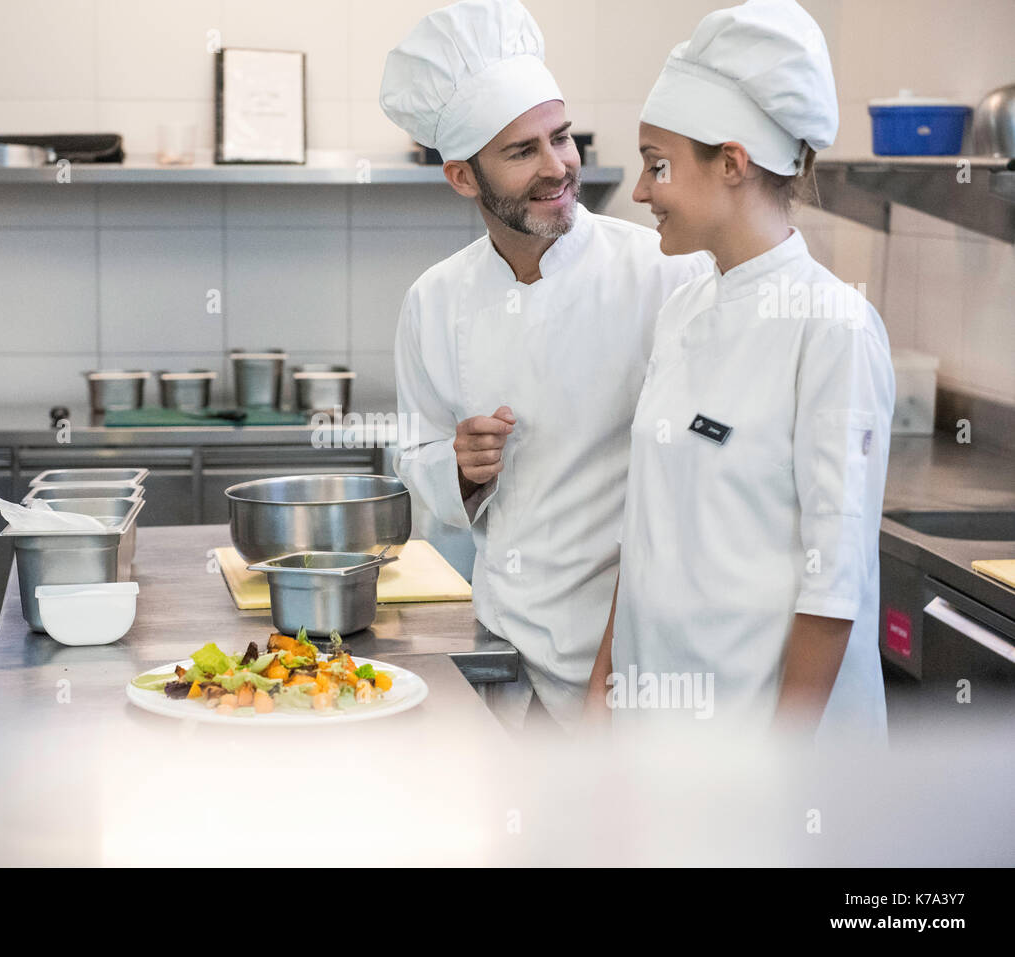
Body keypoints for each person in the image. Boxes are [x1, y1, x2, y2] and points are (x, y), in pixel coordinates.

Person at [380, 0, 710, 734]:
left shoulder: (664, 275)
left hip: (633, 663)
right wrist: (461, 467)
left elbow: (689, 494)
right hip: (504, 653)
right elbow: (418, 462)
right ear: (463, 178)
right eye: (523, 151)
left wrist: (615, 677)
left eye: (561, 138)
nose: (559, 166)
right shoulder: (434, 300)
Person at [584, 0, 895, 744]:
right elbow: (649, 531)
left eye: (658, 164)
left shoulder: (832, 328)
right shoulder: (684, 310)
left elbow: (832, 589)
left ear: (732, 162)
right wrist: (605, 694)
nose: (640, 190)